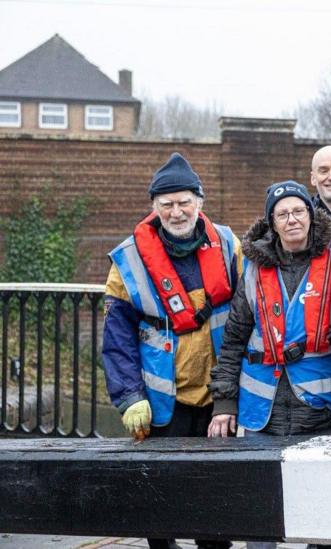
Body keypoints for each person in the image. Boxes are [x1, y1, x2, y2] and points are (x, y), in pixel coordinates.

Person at [102, 152, 238, 549]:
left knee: (217, 497)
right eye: (167, 205)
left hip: (217, 398)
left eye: (184, 202)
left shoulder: (230, 246)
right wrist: (128, 397)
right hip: (162, 399)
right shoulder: (127, 261)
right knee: (159, 493)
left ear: (200, 202)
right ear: (154, 208)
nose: (177, 212)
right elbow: (116, 339)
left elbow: (248, 320)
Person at [208, 181, 331, 549]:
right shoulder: (252, 271)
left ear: (312, 218)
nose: (292, 219)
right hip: (259, 412)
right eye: (282, 214)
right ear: (272, 223)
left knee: (322, 509)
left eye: (299, 211)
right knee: (259, 511)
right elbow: (233, 340)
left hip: (319, 412)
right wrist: (224, 403)